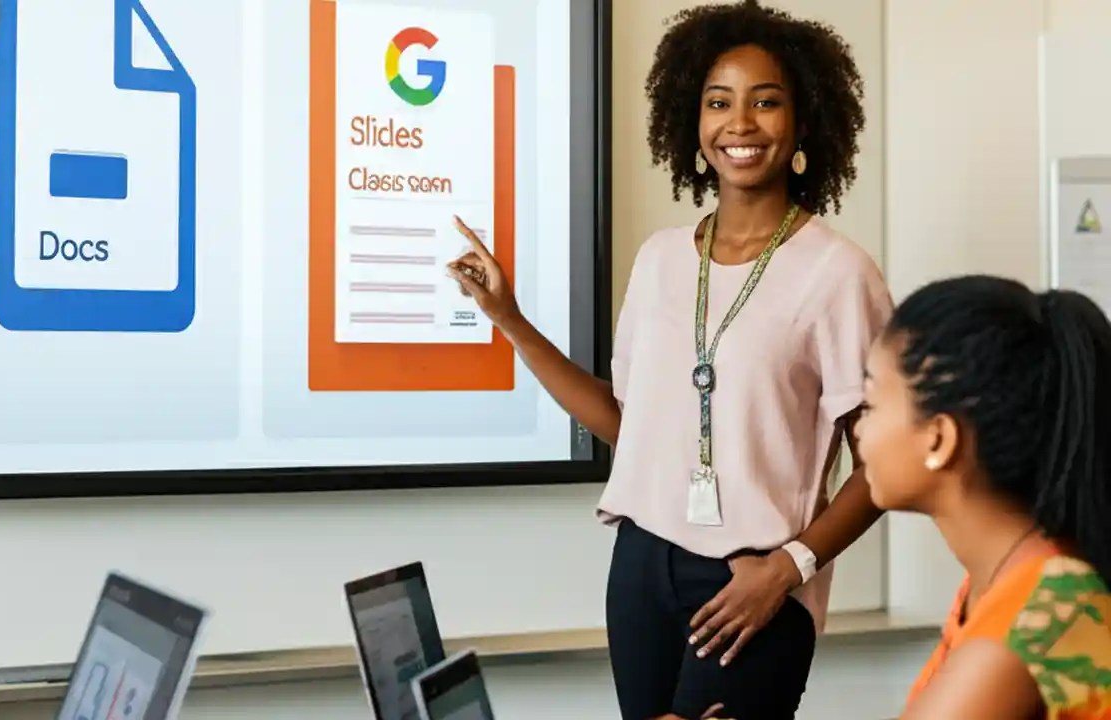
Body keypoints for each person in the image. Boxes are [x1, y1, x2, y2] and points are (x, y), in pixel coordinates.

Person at [447, 1, 889, 717]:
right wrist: (510, 320)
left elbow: (887, 464)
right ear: (693, 118)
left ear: (804, 122)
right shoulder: (658, 260)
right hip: (640, 566)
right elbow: (629, 426)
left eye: (766, 102)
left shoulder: (839, 274)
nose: (739, 124)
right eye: (719, 102)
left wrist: (791, 568)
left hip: (753, 582)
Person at [854, 275, 1111, 720]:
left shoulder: (1047, 612)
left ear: (939, 438)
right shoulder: (1003, 582)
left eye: (871, 404)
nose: (858, 428)